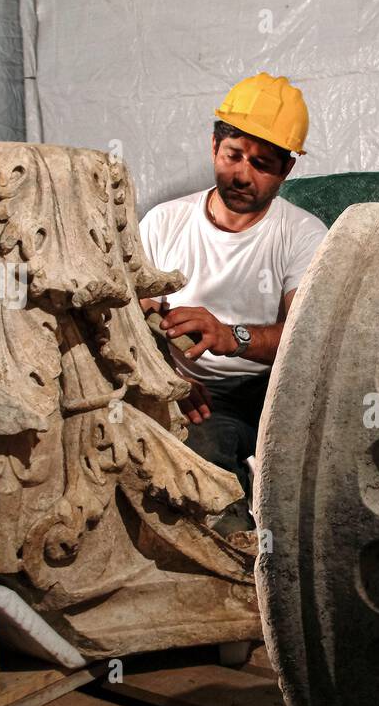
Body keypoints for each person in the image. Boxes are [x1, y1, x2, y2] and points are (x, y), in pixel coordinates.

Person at [138, 72, 328, 534]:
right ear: (213, 148)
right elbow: (133, 315)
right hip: (188, 389)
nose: (242, 174)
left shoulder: (303, 234)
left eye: (262, 164)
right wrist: (171, 380)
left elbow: (307, 339)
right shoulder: (164, 223)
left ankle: (263, 568)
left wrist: (231, 336)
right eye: (233, 155)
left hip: (272, 392)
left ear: (286, 171)